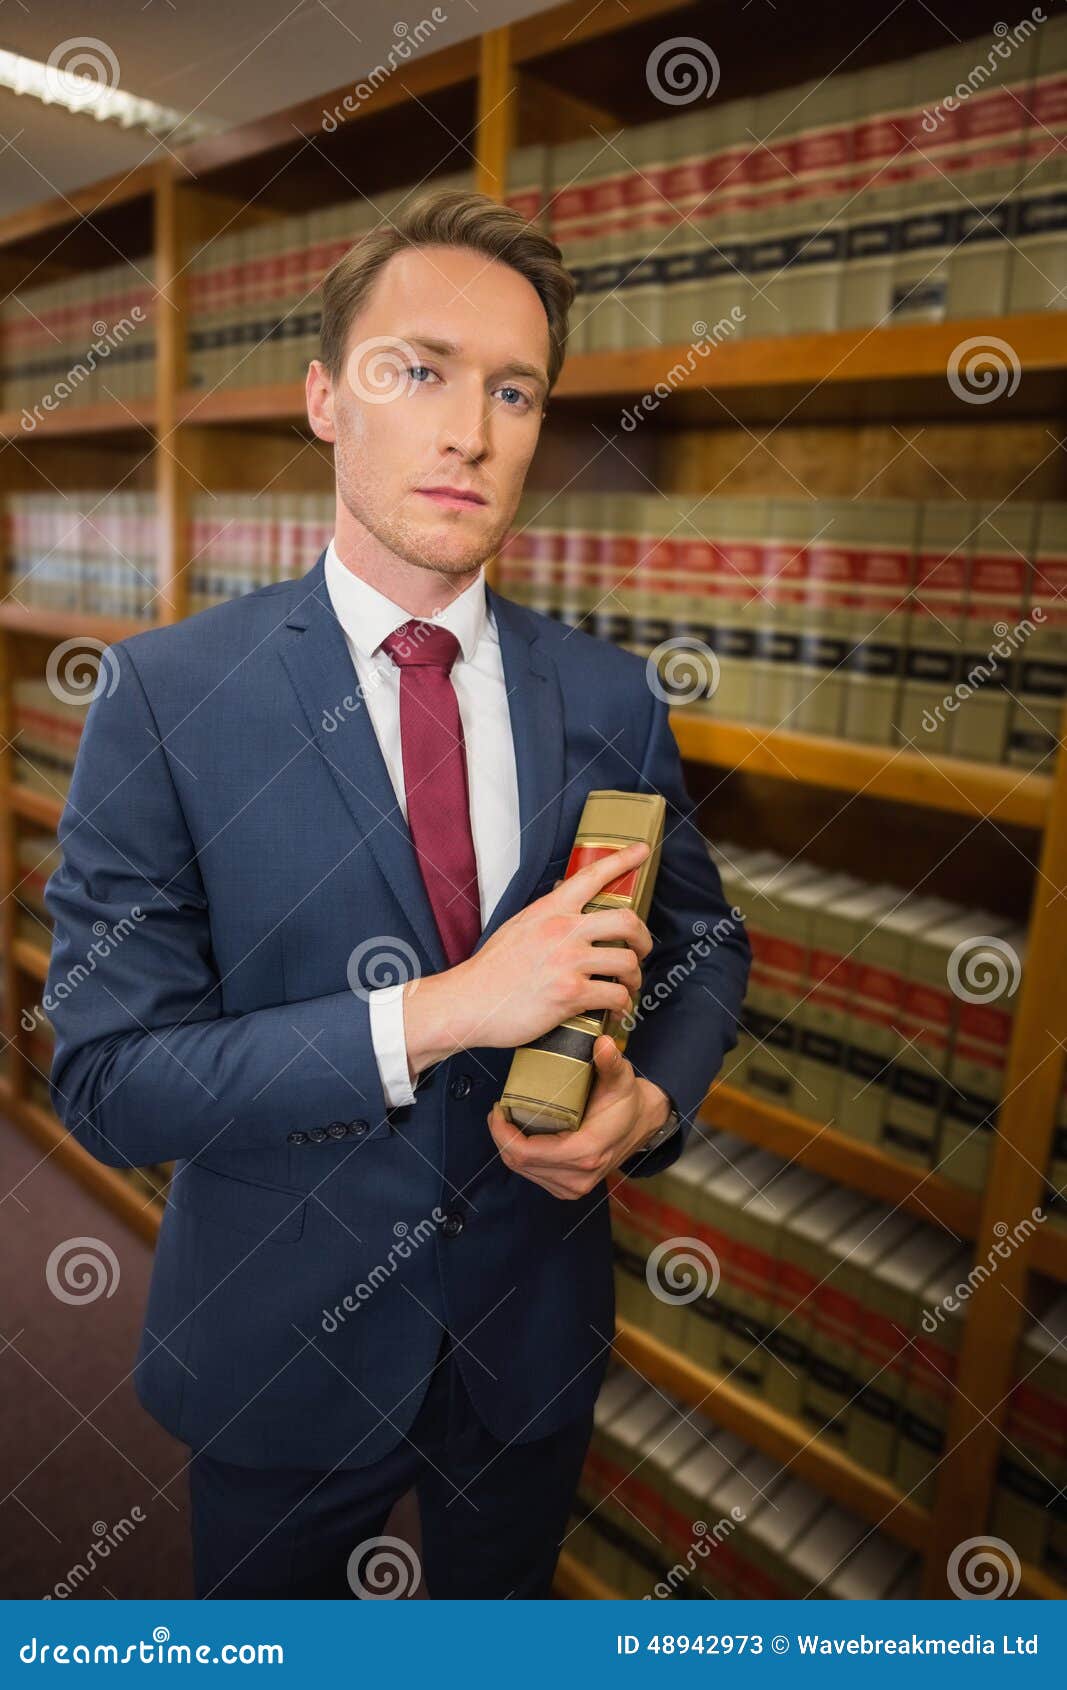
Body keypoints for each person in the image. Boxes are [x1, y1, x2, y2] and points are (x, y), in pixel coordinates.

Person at [43, 188, 751, 1599]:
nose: (470, 430)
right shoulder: (169, 698)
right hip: (278, 1348)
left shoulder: (609, 695)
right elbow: (111, 1078)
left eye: (514, 391)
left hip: (530, 1334)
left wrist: (648, 1105)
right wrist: (437, 1013)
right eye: (417, 370)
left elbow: (704, 940)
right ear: (323, 396)